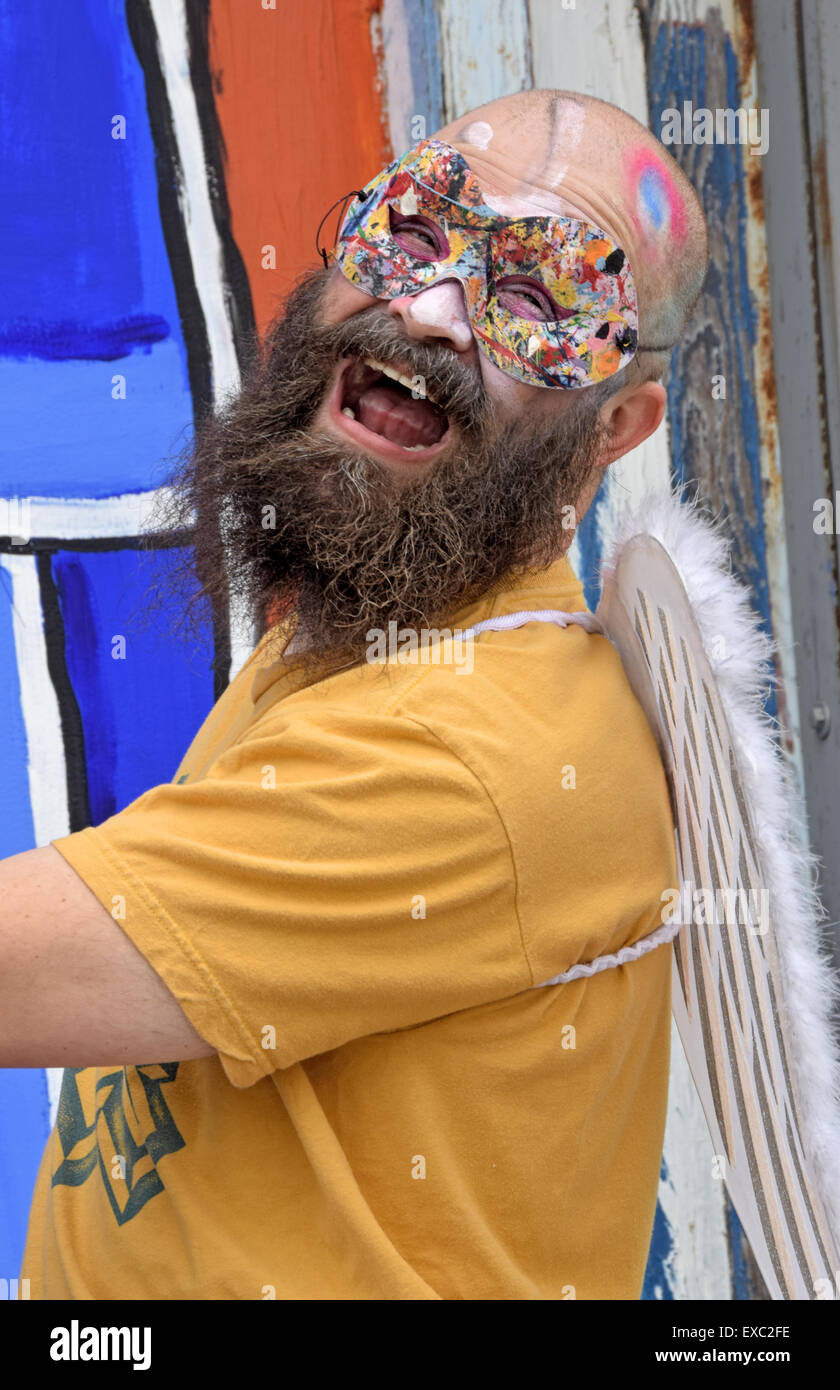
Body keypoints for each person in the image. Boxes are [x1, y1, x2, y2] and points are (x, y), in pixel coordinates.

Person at [8, 88, 708, 1299]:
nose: (431, 309)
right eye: (417, 232)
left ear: (617, 428)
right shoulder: (385, 618)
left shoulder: (471, 759)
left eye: (540, 299)